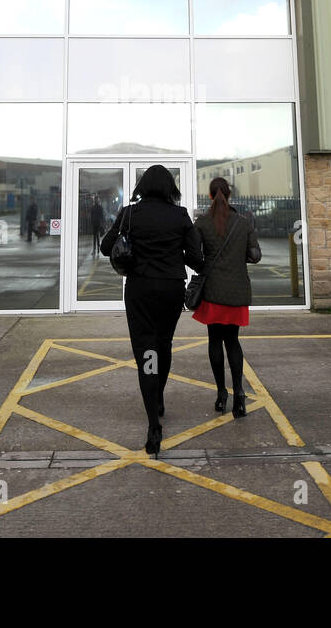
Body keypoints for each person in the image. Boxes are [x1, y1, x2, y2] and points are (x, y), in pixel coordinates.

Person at [100, 164, 204, 457]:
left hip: (140, 290)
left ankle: (153, 424)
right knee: (164, 344)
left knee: (146, 350)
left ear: (142, 187)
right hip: (171, 288)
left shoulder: (130, 213)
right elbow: (196, 259)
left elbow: (106, 248)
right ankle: (158, 398)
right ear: (170, 188)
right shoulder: (180, 216)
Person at [191, 177, 261, 419]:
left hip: (213, 291)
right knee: (233, 342)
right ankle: (240, 394)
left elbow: (194, 256)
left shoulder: (202, 223)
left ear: (211, 196)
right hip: (237, 291)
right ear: (228, 195)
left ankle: (222, 394)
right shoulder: (243, 222)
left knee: (214, 340)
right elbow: (255, 256)